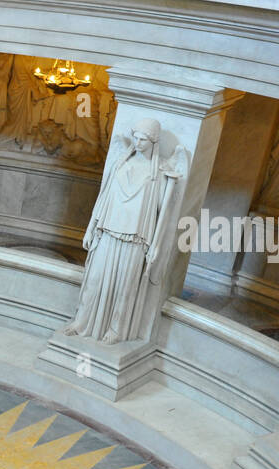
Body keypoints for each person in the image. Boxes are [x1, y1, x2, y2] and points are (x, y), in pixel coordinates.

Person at [62, 118, 187, 344]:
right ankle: (82, 321)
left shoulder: (158, 174)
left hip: (135, 240)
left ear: (153, 141)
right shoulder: (120, 162)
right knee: (94, 280)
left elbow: (162, 214)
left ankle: (116, 329)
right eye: (136, 138)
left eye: (143, 139)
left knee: (124, 288)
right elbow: (103, 197)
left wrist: (156, 244)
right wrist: (92, 227)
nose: (138, 143)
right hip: (107, 231)